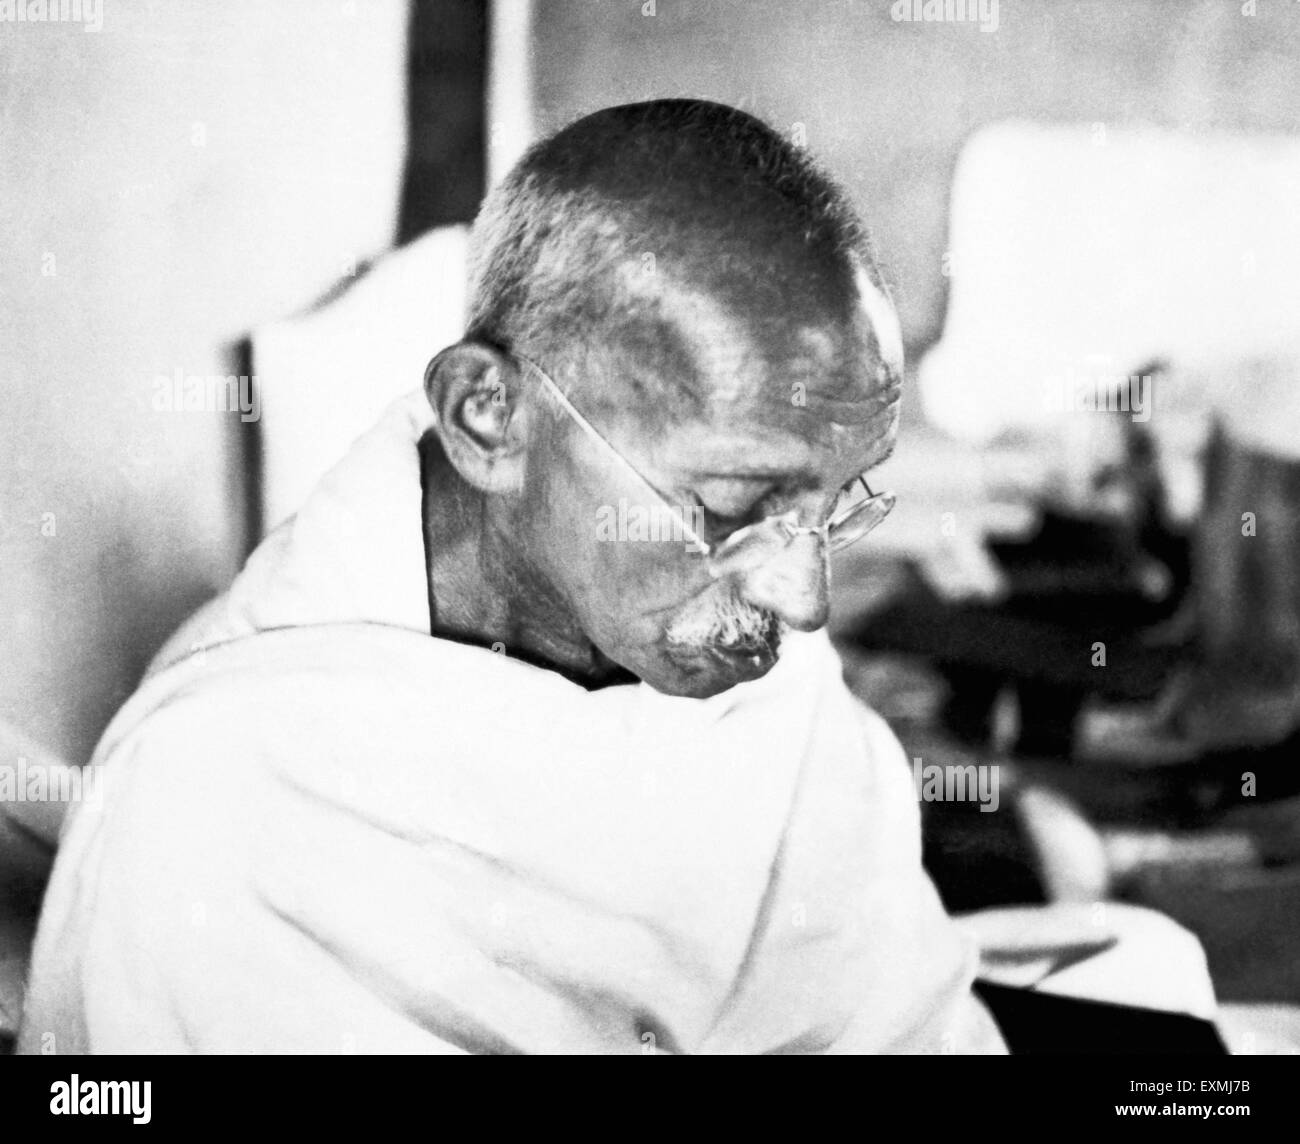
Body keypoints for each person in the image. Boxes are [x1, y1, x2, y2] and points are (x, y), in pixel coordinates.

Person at [19, 100, 1004, 1054]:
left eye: (835, 507)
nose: (805, 599)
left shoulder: (734, 619)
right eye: (735, 505)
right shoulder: (221, 789)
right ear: (488, 416)